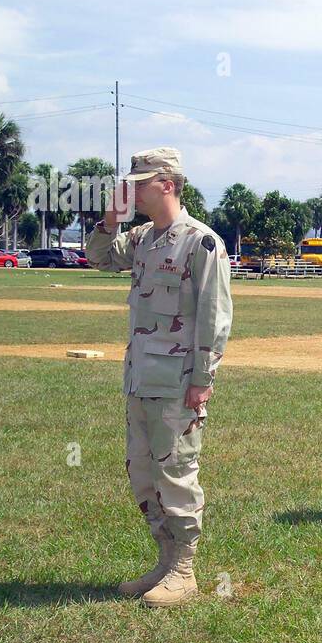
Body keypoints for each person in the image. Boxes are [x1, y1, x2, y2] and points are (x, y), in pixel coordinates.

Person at [86, 147, 232, 608]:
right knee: (143, 472)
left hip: (177, 383)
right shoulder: (144, 239)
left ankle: (185, 569)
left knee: (177, 471)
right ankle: (166, 559)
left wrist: (203, 377)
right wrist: (110, 220)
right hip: (139, 378)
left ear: (167, 184)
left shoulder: (201, 242)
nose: (131, 190)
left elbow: (215, 315)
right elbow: (99, 258)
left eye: (139, 182)